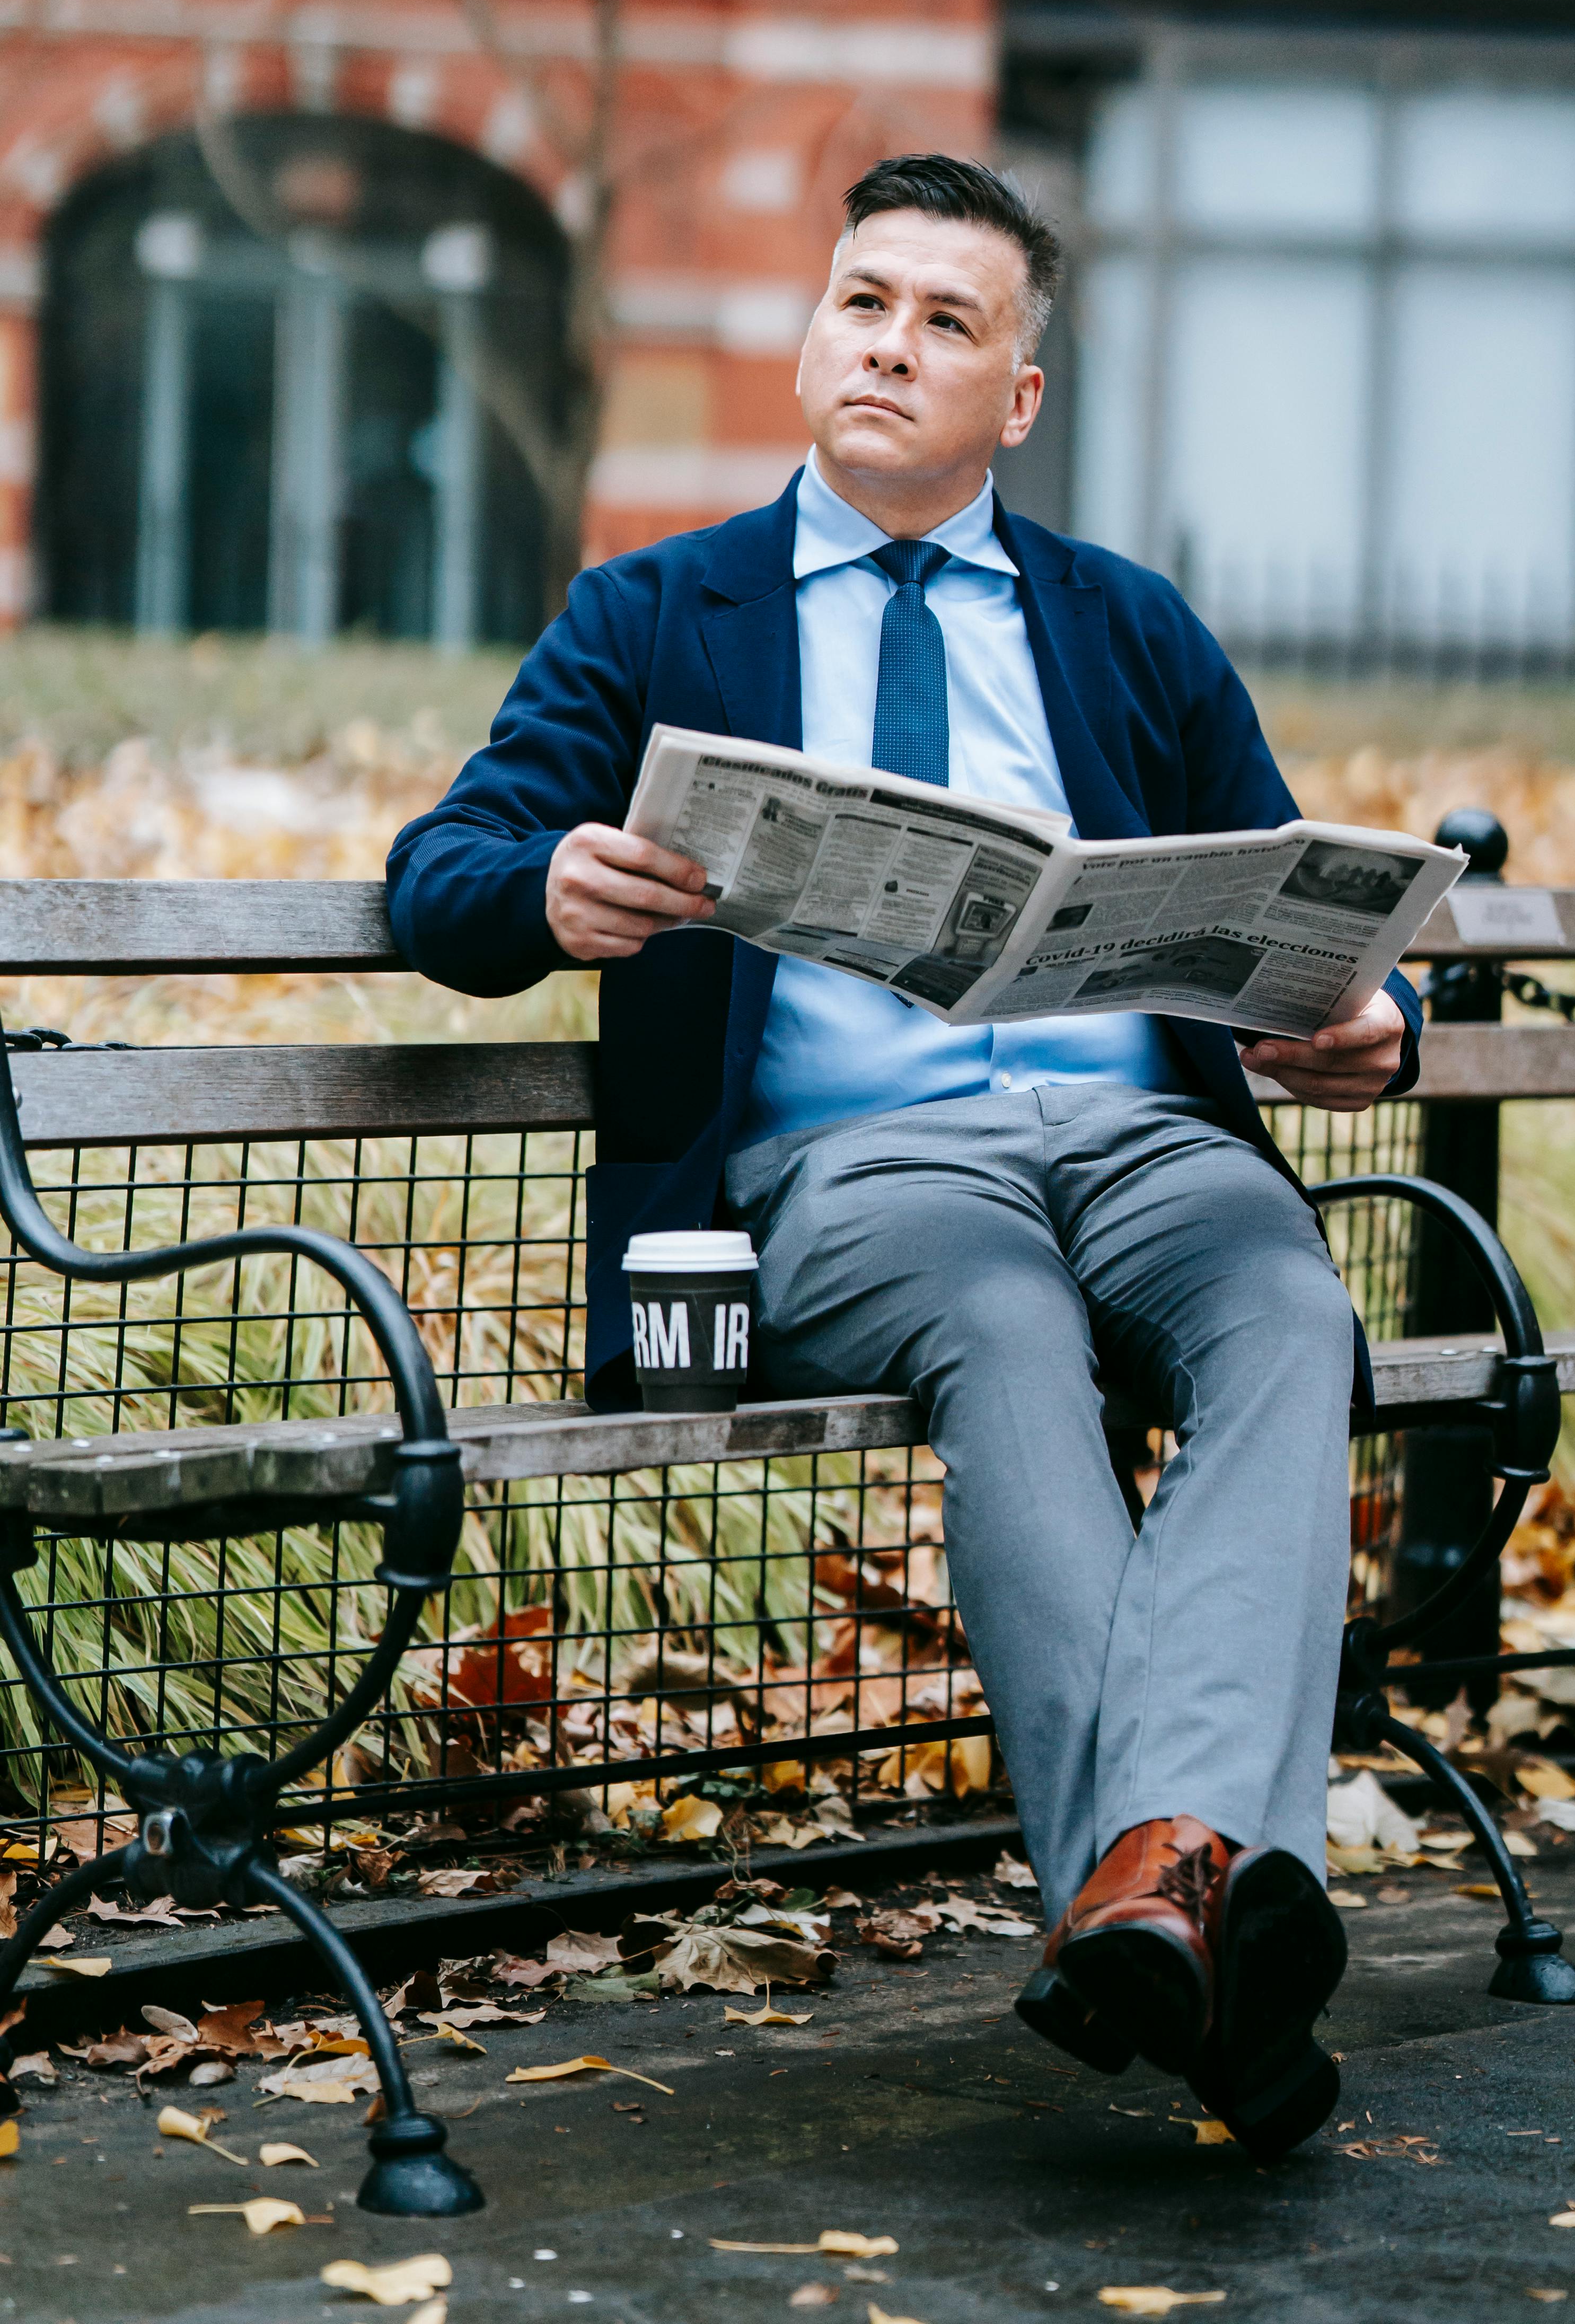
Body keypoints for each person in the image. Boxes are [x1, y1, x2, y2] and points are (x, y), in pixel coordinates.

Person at [386, 153, 1422, 2158]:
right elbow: (444, 877)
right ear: (810, 335)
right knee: (1009, 1334)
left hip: (1138, 1130)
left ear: (1017, 398)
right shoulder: (655, 613)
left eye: (951, 321)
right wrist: (554, 888)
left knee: (1293, 1306)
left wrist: (1359, 1031)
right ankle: (1202, 1899)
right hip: (865, 1169)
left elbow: (1295, 922)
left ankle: (1151, 1899)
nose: (893, 343)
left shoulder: (1127, 628)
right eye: (866, 300)